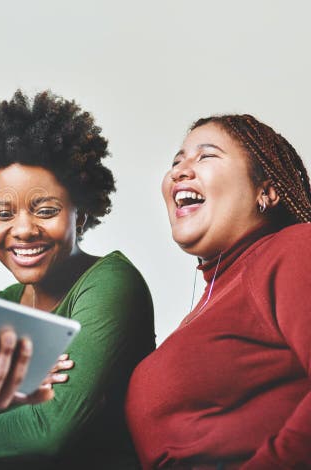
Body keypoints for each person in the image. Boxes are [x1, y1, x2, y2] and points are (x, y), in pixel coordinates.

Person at [0, 90, 156, 468]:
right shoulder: (6, 300)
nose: (24, 230)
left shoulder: (111, 282)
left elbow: (47, 430)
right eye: (3, 213)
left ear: (80, 214)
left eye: (46, 210)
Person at [125, 114, 311, 468]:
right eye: (176, 161)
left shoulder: (294, 248)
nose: (180, 171)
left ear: (267, 192)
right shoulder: (215, 297)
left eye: (206, 156)